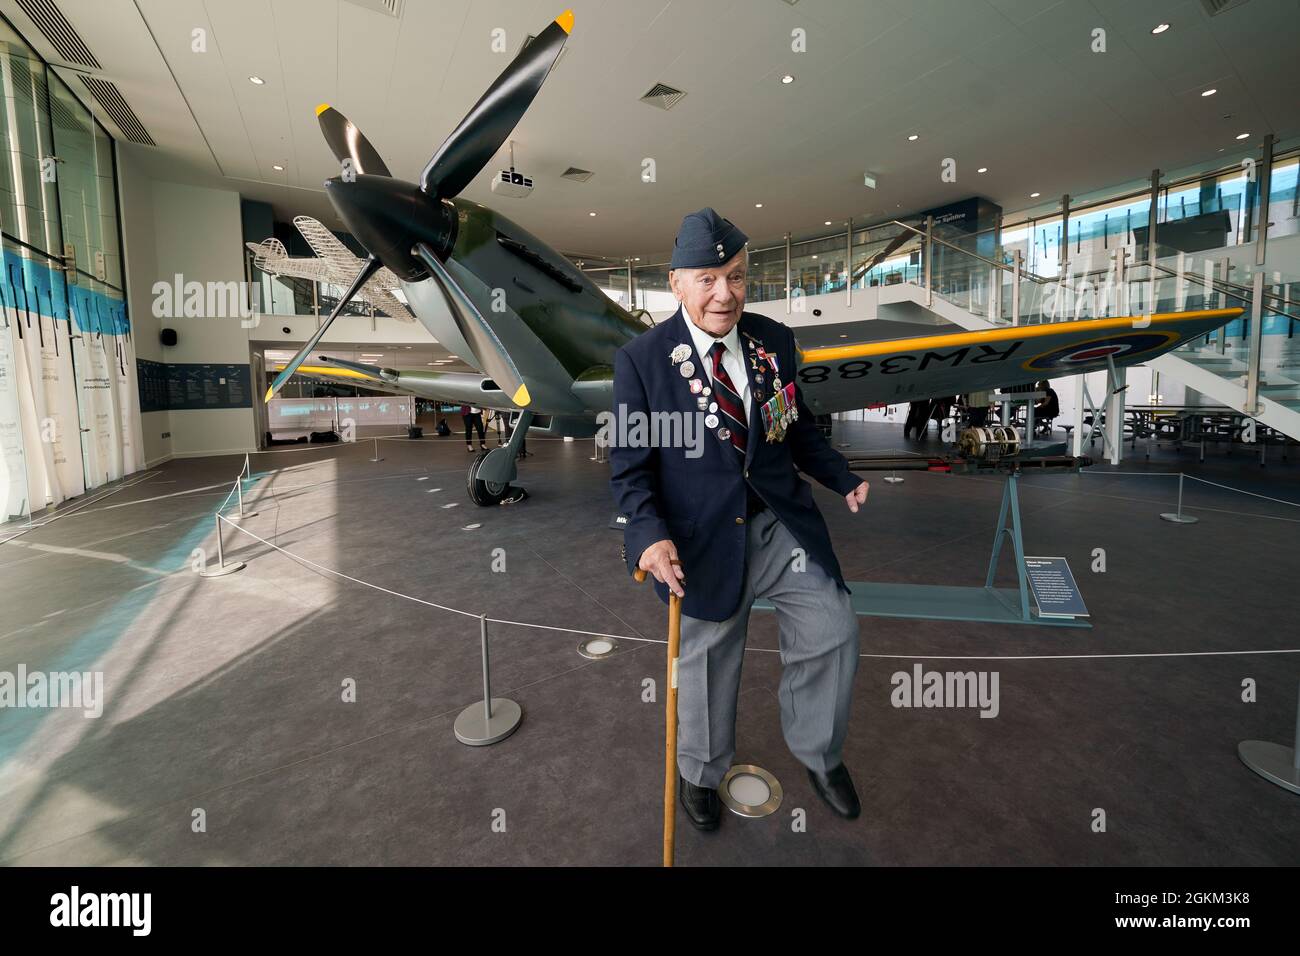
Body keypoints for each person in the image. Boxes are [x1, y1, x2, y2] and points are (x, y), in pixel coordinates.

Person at [610, 208, 870, 832]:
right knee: (705, 664)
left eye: (736, 277)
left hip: (780, 525)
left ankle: (819, 754)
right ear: (675, 284)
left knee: (835, 627)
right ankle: (698, 770)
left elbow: (795, 426)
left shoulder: (773, 341)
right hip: (700, 538)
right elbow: (628, 469)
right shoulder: (641, 361)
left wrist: (840, 476)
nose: (724, 294)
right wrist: (648, 536)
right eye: (707, 279)